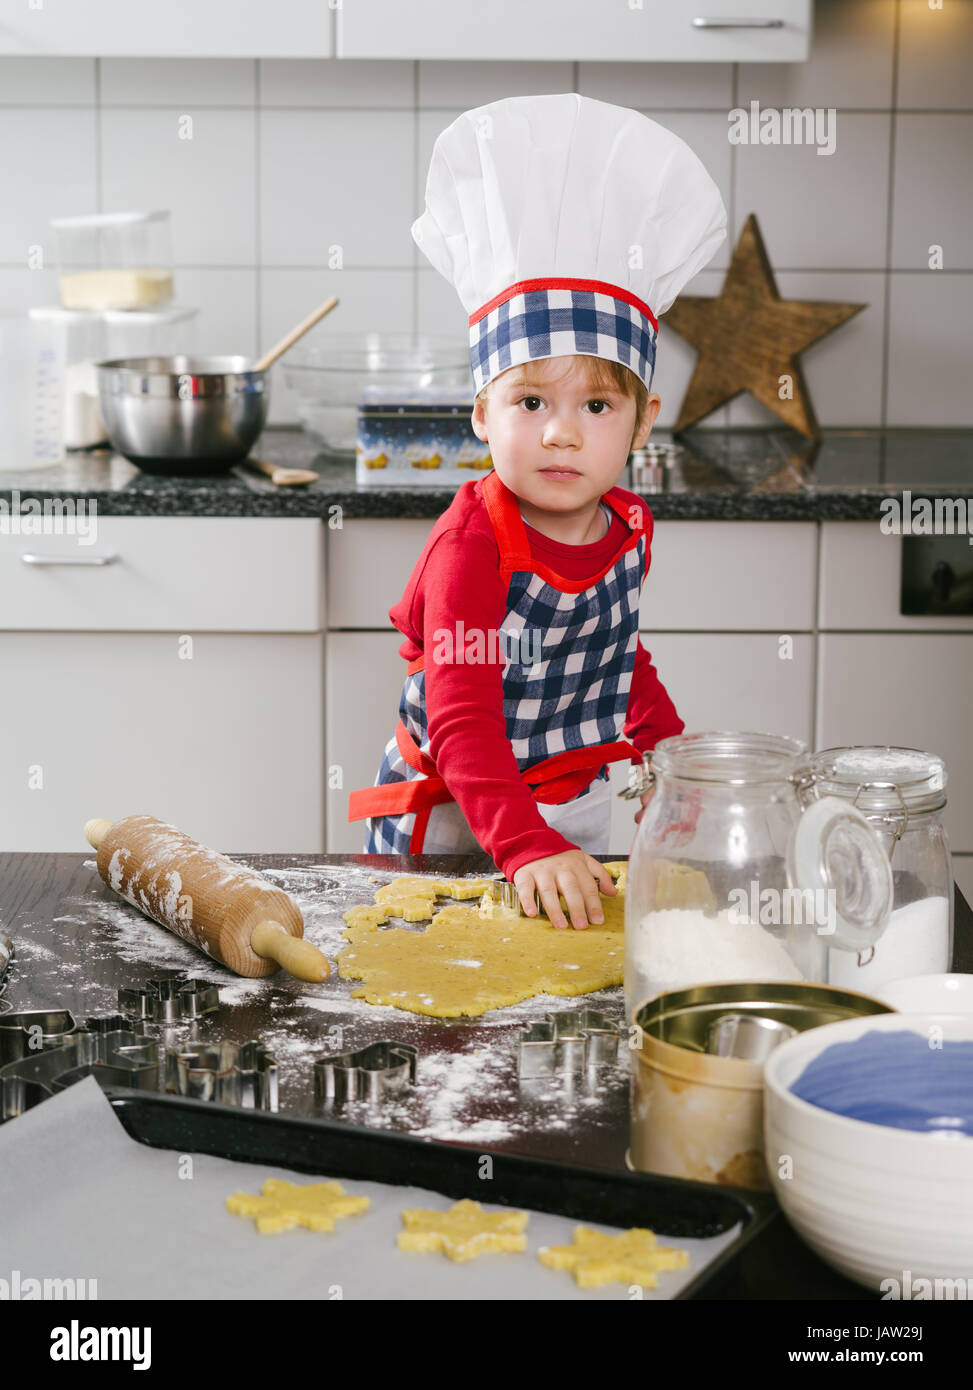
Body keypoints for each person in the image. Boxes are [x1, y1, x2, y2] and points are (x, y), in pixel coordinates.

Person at [348, 93, 726, 931]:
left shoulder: (623, 527)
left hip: (573, 816)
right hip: (457, 824)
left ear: (642, 421)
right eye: (528, 401)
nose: (561, 434)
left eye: (597, 407)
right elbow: (461, 721)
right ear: (481, 415)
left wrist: (674, 763)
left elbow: (613, 658)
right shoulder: (471, 551)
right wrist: (521, 845)